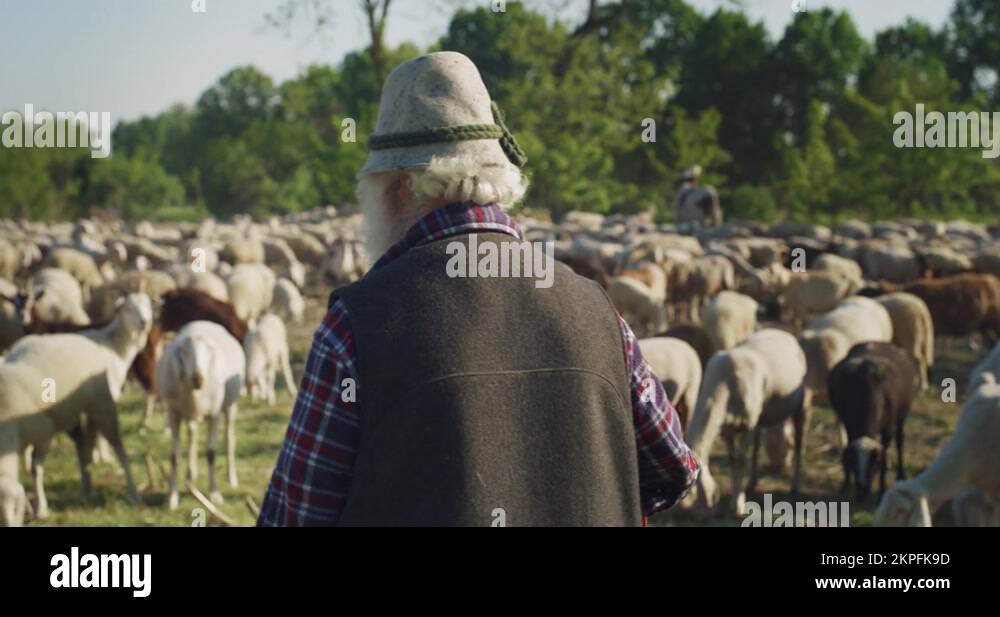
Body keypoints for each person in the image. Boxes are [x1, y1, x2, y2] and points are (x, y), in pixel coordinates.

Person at [258, 51, 699, 526]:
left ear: (401, 187)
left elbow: (296, 517)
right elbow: (675, 468)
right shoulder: (597, 310)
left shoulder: (357, 325)